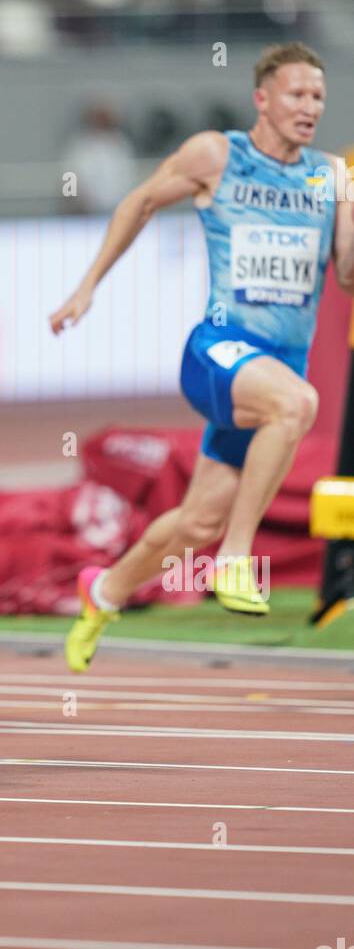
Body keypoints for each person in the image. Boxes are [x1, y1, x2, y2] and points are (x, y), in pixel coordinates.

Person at [50, 42, 354, 672]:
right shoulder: (218, 154)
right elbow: (138, 202)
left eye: (319, 96)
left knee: (195, 522)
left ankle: (102, 593)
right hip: (216, 352)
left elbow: (346, 274)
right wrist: (87, 286)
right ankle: (237, 561)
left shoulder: (330, 175)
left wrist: (350, 206)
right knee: (298, 405)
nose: (310, 106)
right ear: (262, 99)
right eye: (297, 94)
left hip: (271, 373)